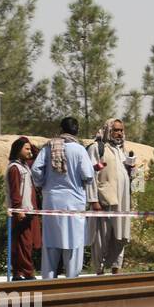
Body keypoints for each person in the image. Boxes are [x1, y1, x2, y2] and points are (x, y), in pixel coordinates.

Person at [31, 117, 95, 280]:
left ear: (61, 129)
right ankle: (71, 282)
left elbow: (36, 170)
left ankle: (48, 282)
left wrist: (42, 185)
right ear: (77, 131)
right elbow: (88, 175)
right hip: (73, 203)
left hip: (51, 201)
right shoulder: (79, 150)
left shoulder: (48, 147)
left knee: (51, 245)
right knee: (73, 245)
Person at [87, 117, 134, 274]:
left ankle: (116, 270)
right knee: (102, 237)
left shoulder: (123, 151)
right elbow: (91, 175)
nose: (119, 133)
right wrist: (94, 200)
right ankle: (99, 271)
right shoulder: (97, 148)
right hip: (105, 200)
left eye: (121, 130)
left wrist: (132, 169)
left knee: (121, 235)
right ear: (108, 130)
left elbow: (129, 176)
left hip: (123, 202)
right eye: (116, 130)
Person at [5, 137, 41, 281]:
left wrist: (31, 146)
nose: (29, 151)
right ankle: (27, 272)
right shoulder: (15, 168)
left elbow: (37, 156)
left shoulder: (25, 165)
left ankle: (19, 272)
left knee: (25, 243)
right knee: (23, 244)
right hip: (21, 212)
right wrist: (18, 208)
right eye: (26, 148)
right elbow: (15, 191)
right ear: (17, 150)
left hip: (28, 211)